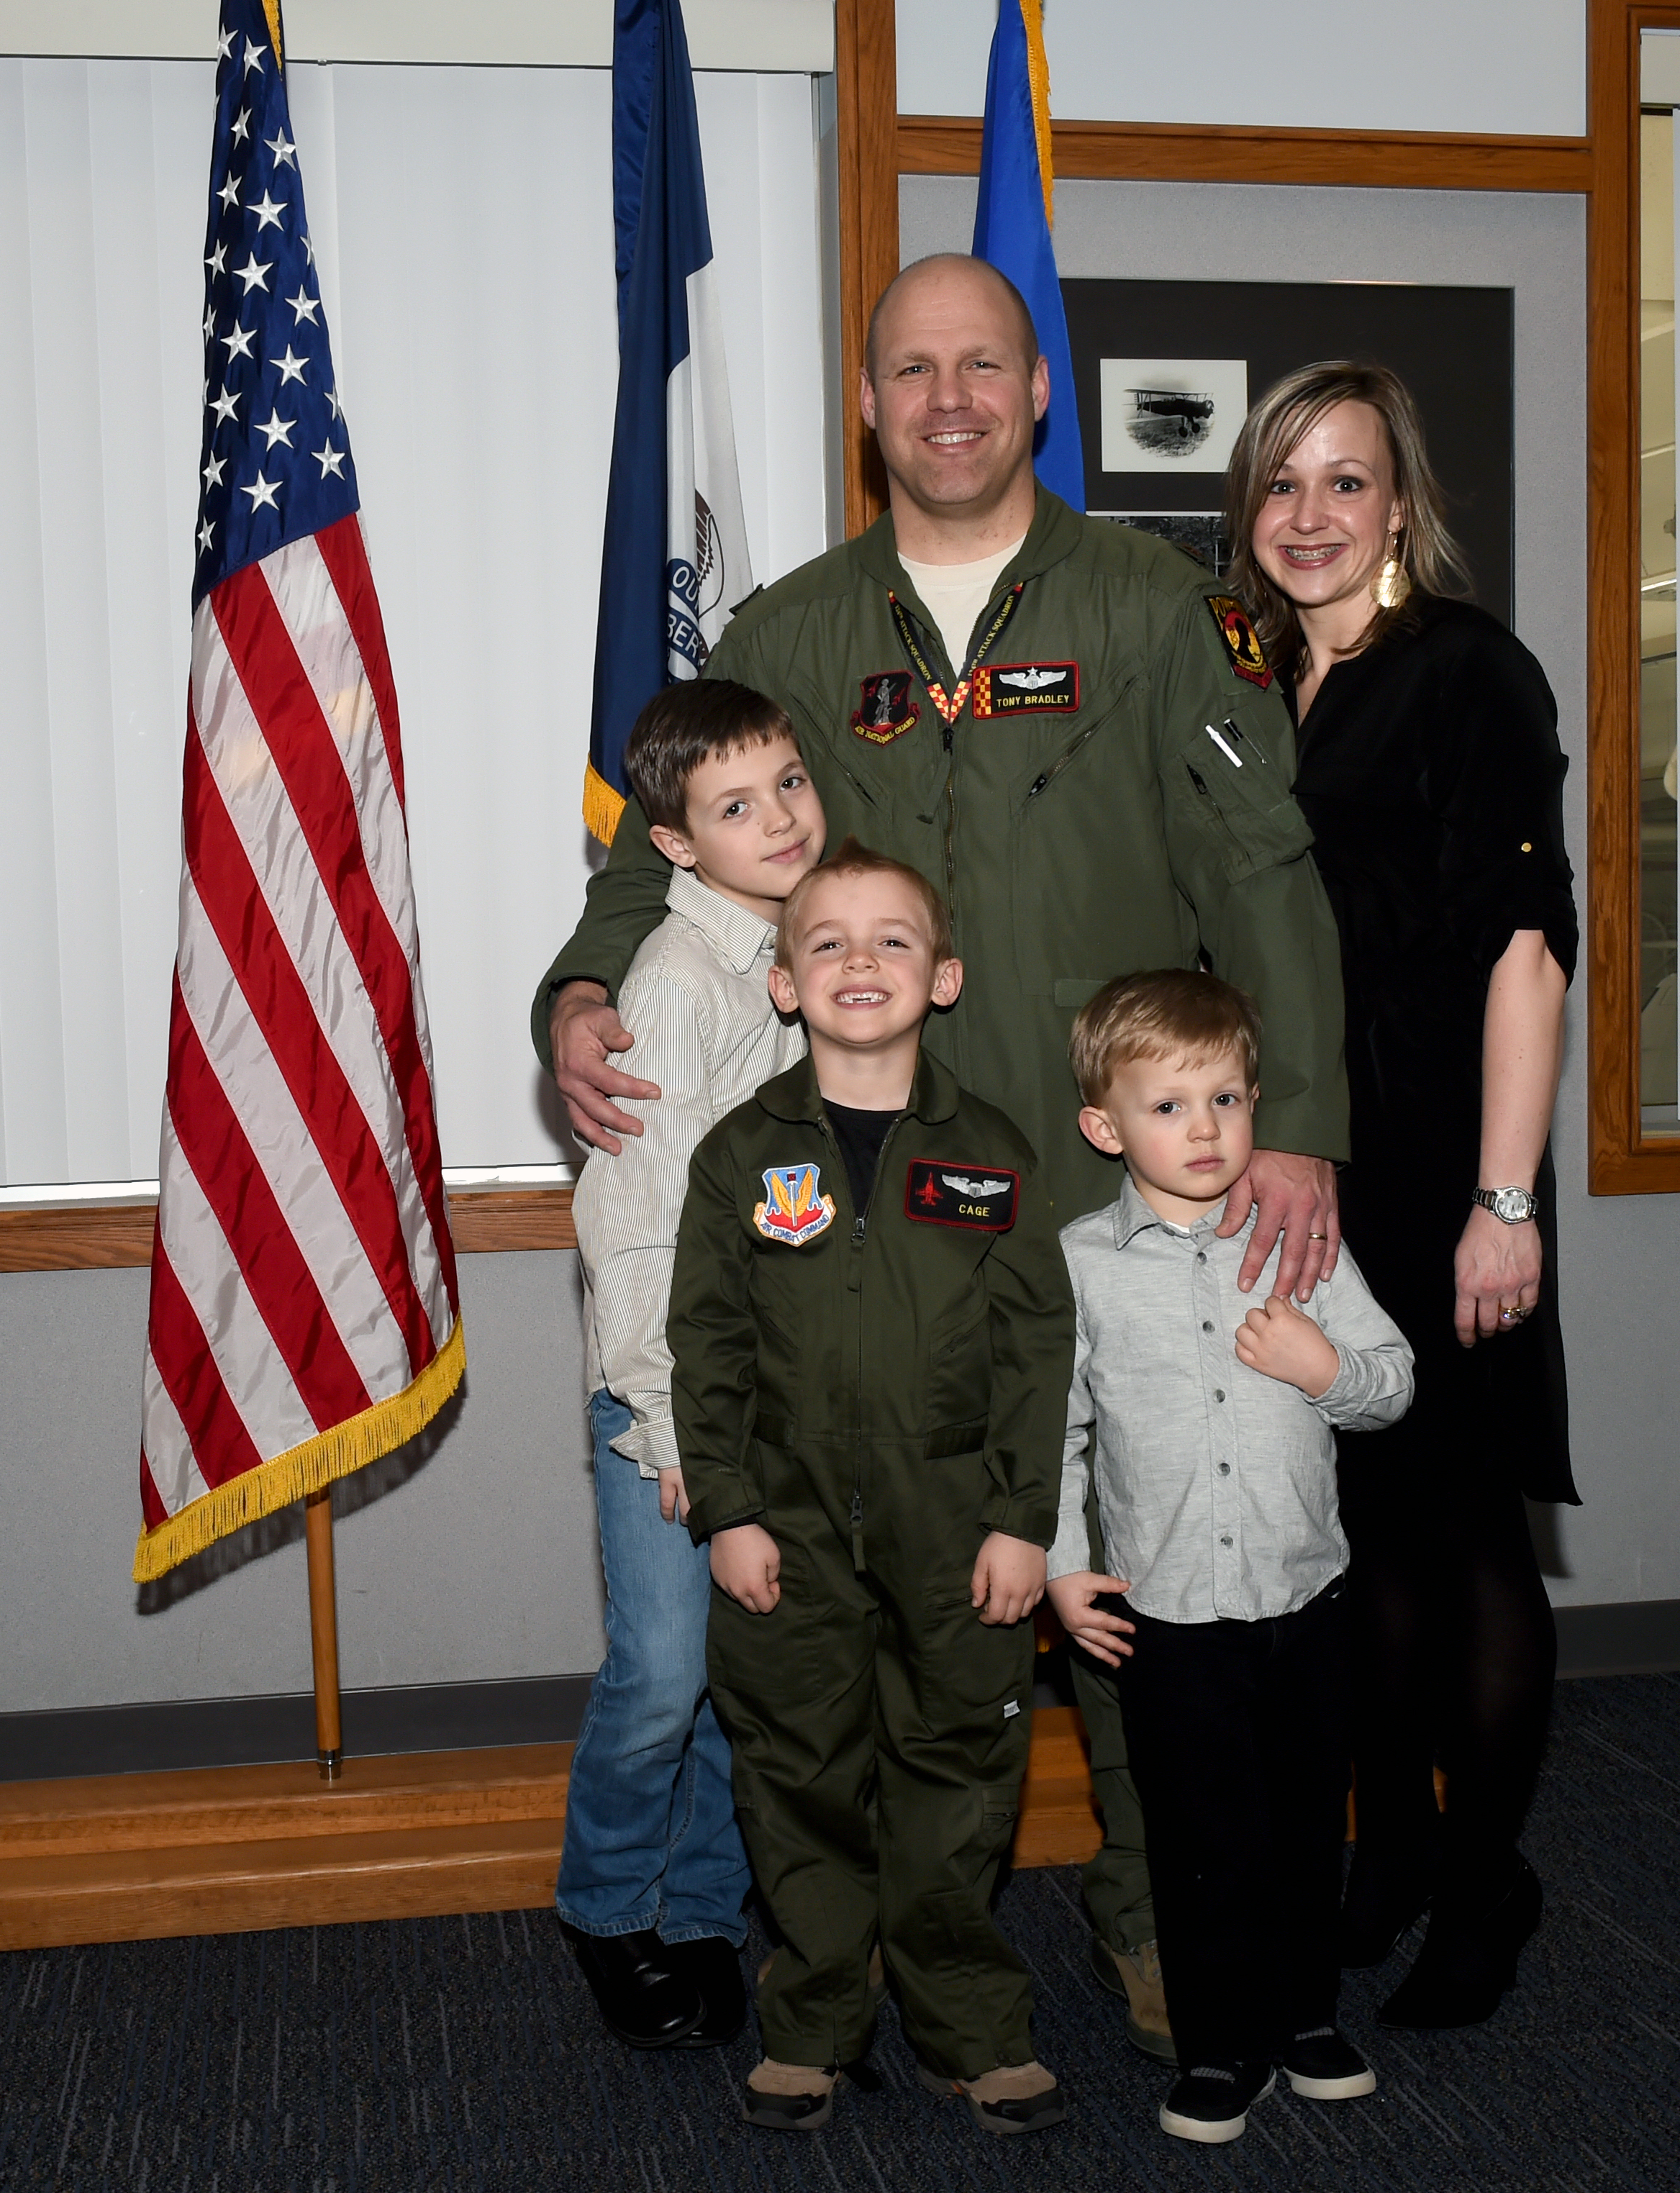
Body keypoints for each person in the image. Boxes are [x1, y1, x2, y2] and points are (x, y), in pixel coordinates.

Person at [536, 252, 1353, 2047]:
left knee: (1142, 1586)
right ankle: (843, 1945)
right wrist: (585, 991)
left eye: (983, 365)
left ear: (1037, 388)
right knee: (860, 1595)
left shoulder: (1152, 604)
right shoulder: (791, 631)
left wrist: (1292, 1135)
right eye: (912, 370)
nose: (950, 400)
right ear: (868, 399)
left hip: (1111, 1199)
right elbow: (655, 836)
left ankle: (1167, 1930)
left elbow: (1260, 874)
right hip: (861, 1221)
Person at [1225, 360, 1580, 2028]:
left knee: (1458, 1545)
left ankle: (1483, 1886)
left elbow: (1526, 950)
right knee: (1348, 1546)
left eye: (1343, 482)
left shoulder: (1466, 673)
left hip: (1448, 1166)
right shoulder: (1248, 690)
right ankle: (1392, 1849)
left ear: (1398, 504)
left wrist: (1502, 1201)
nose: (1309, 515)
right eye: (1281, 483)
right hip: (1302, 1175)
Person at [668, 843, 1075, 2137]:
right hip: (783, 1526)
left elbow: (1033, 1352)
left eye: (893, 940)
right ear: (784, 984)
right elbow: (709, 1345)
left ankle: (968, 2018)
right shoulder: (741, 1156)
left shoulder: (995, 1153)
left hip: (957, 1527)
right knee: (796, 1769)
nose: (860, 962)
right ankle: (817, 2015)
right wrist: (728, 1509)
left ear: (943, 978)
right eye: (827, 941)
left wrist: (1023, 1522)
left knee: (959, 1766)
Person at [1048, 970, 1414, 2145]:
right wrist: (1062, 1567)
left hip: (1305, 1600)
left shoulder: (1301, 1245)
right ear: (1106, 1125)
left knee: (1309, 1820)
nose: (1203, 1130)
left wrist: (1326, 1370)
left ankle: (1305, 2018)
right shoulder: (1083, 1263)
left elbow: (1391, 1384)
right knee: (1202, 1839)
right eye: (1168, 1106)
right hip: (1172, 1619)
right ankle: (1218, 2046)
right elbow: (1050, 1436)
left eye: (1226, 1098)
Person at [557, 681, 825, 2051]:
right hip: (670, 1401)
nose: (777, 817)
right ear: (674, 841)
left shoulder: (807, 951)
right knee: (662, 1675)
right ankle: (608, 1913)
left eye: (789, 783)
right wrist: (674, 1434)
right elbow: (636, 1227)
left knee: (742, 1670)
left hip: (775, 1395)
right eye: (735, 805)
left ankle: (704, 1913)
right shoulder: (676, 979)